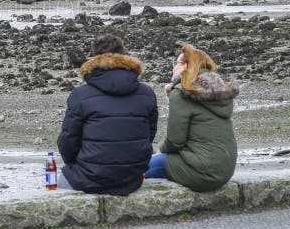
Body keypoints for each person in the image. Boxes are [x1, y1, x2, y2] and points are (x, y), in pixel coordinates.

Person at [56, 35, 158, 195]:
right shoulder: (147, 93)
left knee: (60, 180)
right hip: (132, 177)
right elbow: (149, 135)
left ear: (96, 57)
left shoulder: (80, 94)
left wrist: (75, 164)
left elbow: (68, 141)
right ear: (124, 56)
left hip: (90, 176)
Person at [145, 44, 239, 192]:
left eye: (176, 64)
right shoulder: (219, 91)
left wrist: (161, 151)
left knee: (142, 168)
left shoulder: (182, 94)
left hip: (201, 172)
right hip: (225, 169)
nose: (173, 68)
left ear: (185, 67)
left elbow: (175, 142)